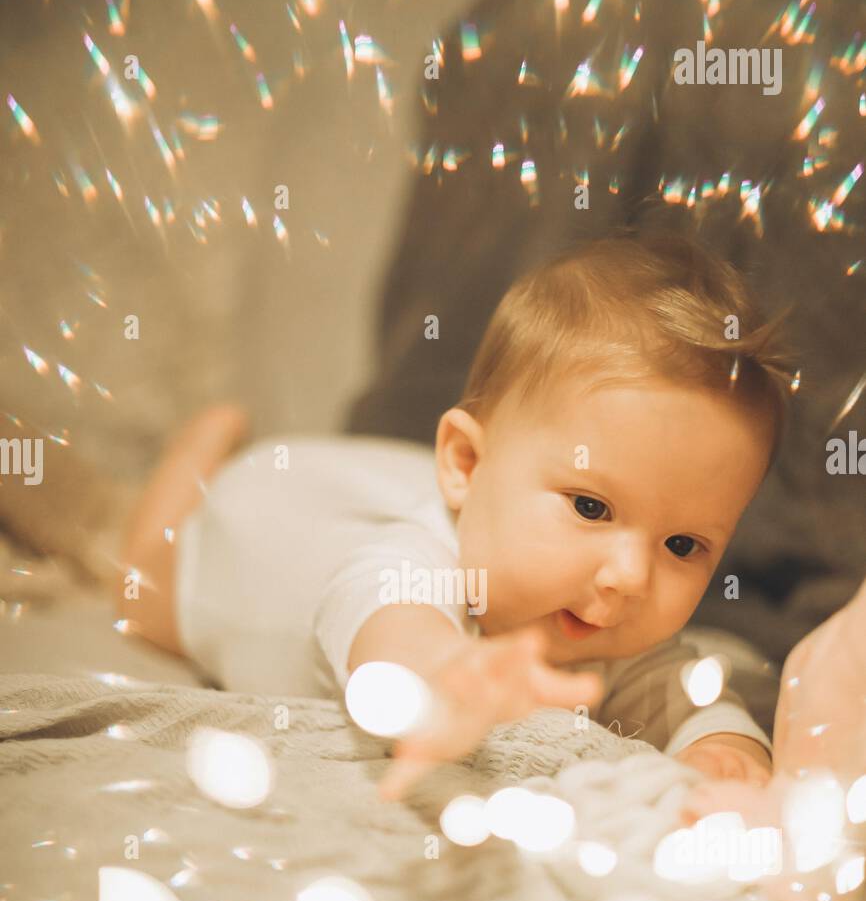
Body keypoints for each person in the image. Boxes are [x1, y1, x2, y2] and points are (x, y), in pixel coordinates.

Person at [108, 230, 795, 802]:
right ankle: (192, 465)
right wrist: (444, 676)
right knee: (150, 599)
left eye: (683, 544)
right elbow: (393, 633)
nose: (628, 575)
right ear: (463, 461)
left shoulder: (611, 621)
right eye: (592, 507)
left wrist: (726, 753)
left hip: (406, 485)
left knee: (506, 489)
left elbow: (688, 700)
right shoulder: (404, 570)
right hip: (260, 519)